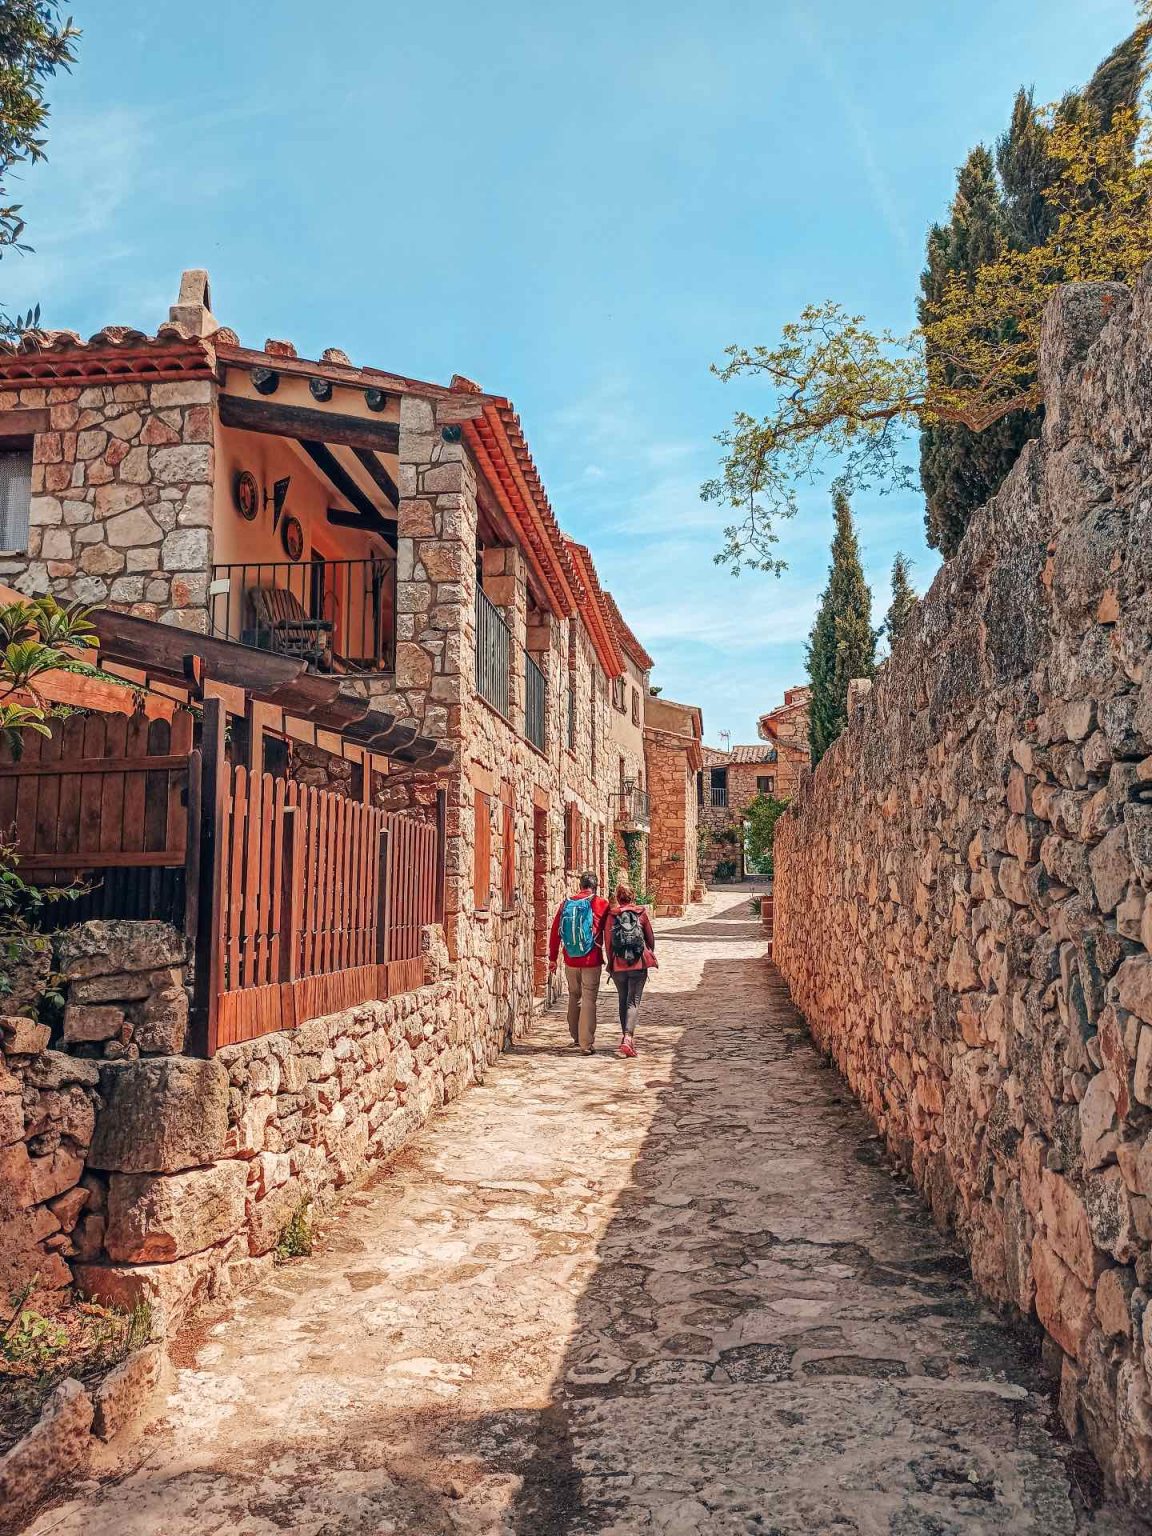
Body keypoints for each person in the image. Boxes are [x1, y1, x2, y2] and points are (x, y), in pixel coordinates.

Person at [548, 870, 609, 1054]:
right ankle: (585, 1043)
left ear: (580, 885)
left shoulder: (567, 903)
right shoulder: (601, 904)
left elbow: (555, 932)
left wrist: (552, 958)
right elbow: (609, 933)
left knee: (574, 996)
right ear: (595, 887)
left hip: (571, 959)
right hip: (591, 960)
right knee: (589, 998)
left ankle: (575, 1036)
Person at [604, 880, 656, 1058]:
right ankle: (628, 1038)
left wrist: (611, 963)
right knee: (633, 1001)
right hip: (638, 964)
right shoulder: (641, 913)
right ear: (633, 896)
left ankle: (626, 1038)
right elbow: (650, 939)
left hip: (618, 965)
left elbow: (608, 944)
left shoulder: (611, 916)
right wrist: (646, 953)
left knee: (622, 999)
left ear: (617, 898)